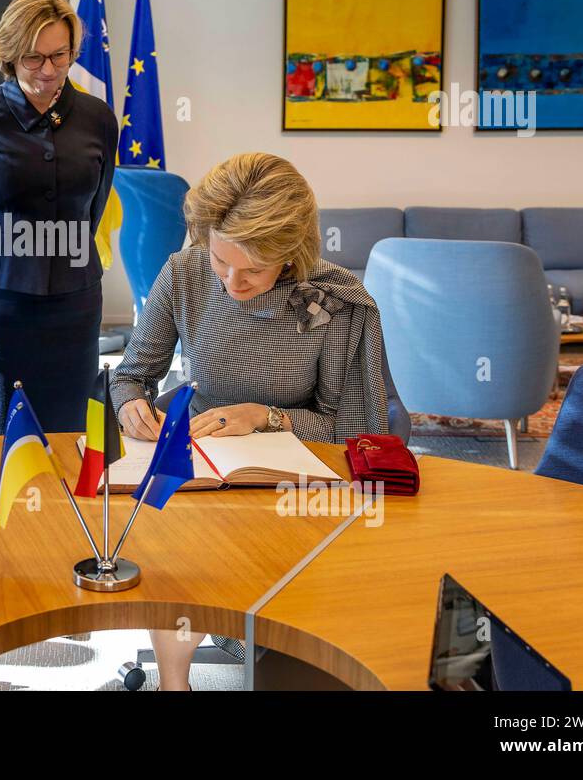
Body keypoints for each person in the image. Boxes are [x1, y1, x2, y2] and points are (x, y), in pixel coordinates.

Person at [109, 152, 391, 690]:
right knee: (173, 542)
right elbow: (131, 374)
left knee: (287, 619)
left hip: (289, 480)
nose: (232, 281)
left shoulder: (333, 302)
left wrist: (267, 417)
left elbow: (349, 431)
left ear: (291, 254)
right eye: (221, 260)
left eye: (254, 269)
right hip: (196, 460)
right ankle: (176, 681)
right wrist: (129, 405)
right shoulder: (185, 273)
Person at [0, 0, 117, 436]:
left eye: (60, 56)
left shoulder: (98, 119)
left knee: (67, 433)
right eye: (34, 58)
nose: (49, 71)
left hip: (74, 302)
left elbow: (93, 206)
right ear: (11, 55)